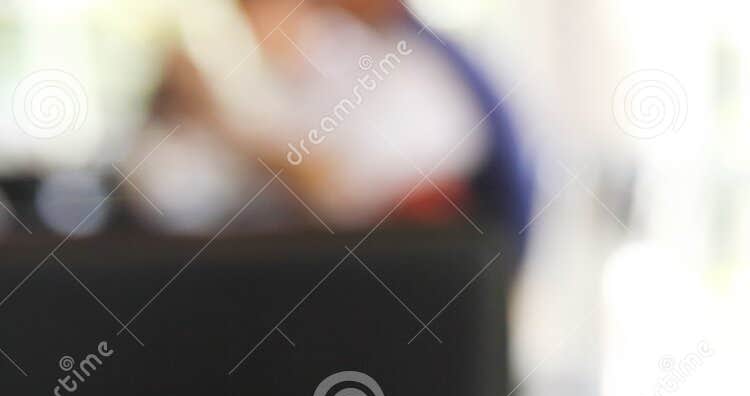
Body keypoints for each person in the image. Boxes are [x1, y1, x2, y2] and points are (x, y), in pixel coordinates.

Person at [135, 0, 533, 248]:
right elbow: (171, 196)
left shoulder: (399, 68)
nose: (255, 27)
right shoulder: (279, 95)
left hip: (409, 287)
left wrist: (223, 124)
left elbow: (333, 190)